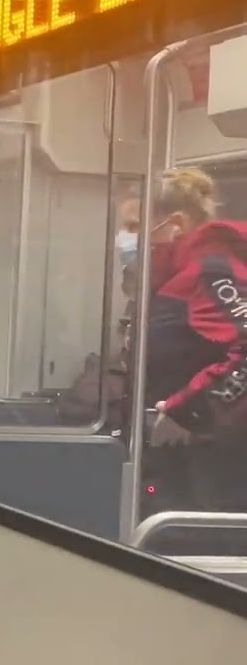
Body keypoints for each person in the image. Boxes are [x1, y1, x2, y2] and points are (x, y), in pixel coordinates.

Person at [137, 168, 247, 515]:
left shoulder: (211, 270)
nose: (134, 238)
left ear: (177, 224)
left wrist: (189, 412)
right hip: (184, 463)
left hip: (216, 470)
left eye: (137, 226)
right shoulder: (177, 277)